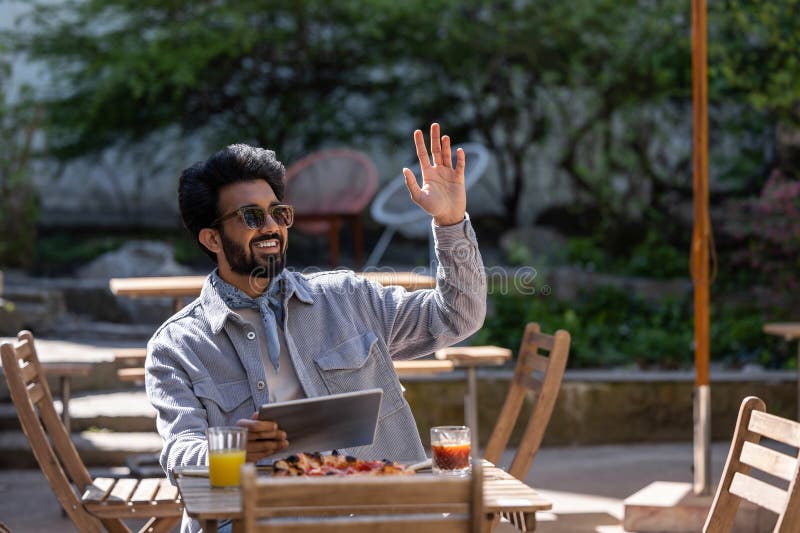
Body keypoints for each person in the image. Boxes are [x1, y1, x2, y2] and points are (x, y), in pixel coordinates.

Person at [145, 123, 486, 532]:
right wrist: (233, 449)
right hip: (251, 522)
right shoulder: (176, 346)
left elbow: (457, 317)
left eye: (278, 213)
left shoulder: (348, 298)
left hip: (375, 517)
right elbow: (180, 453)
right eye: (251, 216)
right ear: (212, 239)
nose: (271, 227)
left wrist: (450, 223)